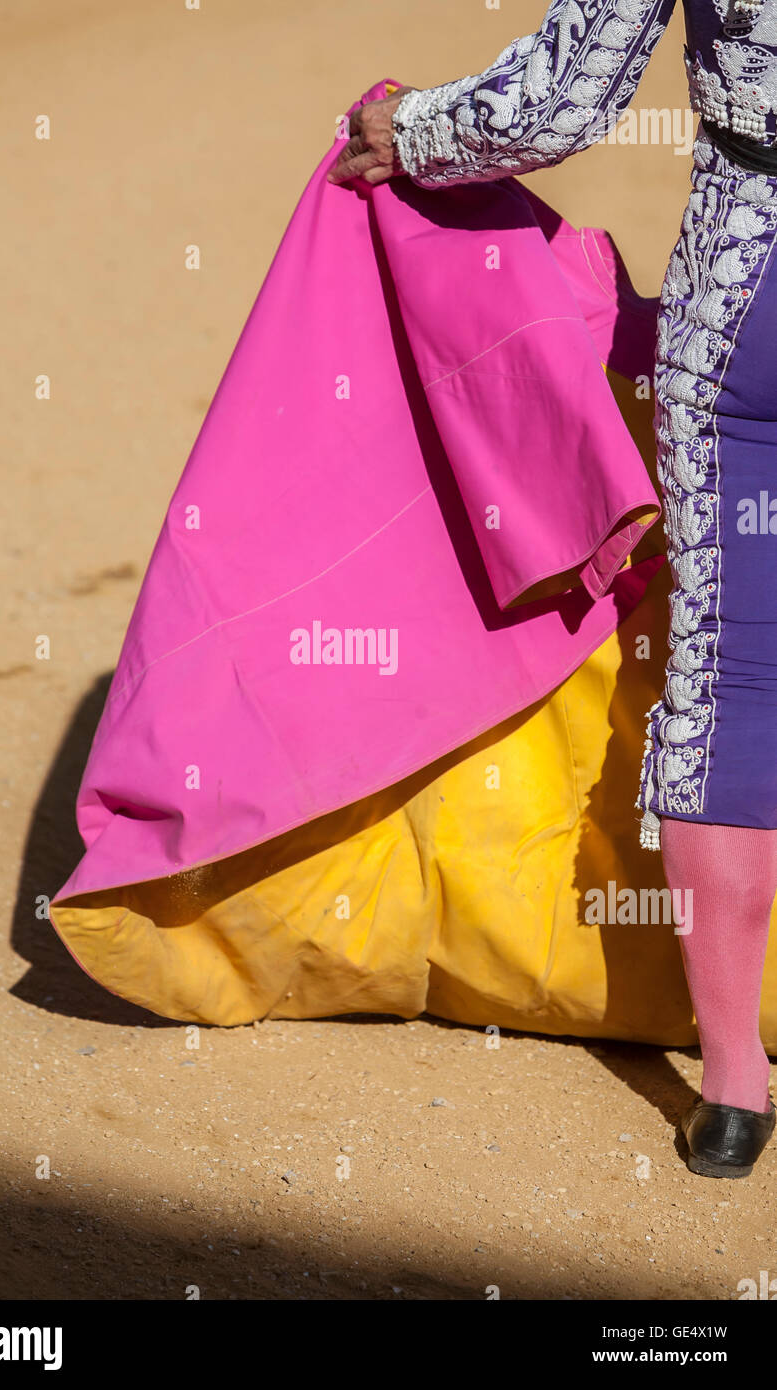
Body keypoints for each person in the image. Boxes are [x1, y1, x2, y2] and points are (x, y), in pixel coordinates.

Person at [330, 0, 777, 1179]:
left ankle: (733, 1090)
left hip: (743, 297)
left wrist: (411, 127)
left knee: (727, 679)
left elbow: (569, 91)